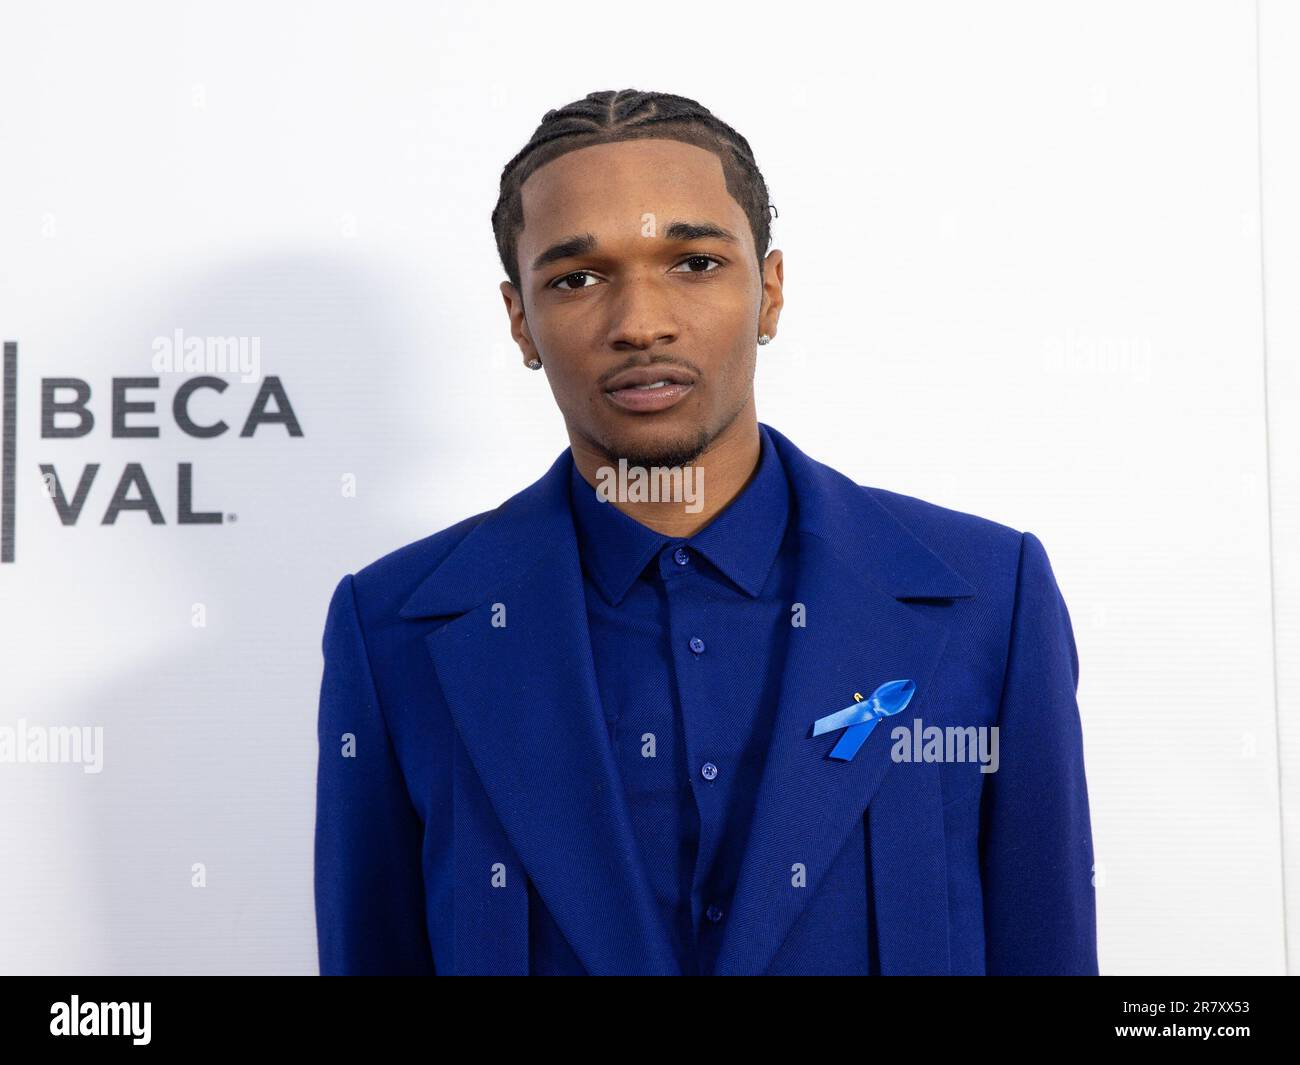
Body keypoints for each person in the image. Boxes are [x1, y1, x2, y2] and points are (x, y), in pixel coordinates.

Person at [314, 88, 1098, 975]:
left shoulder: (991, 596)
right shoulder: (394, 633)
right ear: (520, 321)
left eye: (692, 262)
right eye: (576, 278)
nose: (640, 323)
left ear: (769, 292)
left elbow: (1048, 945)